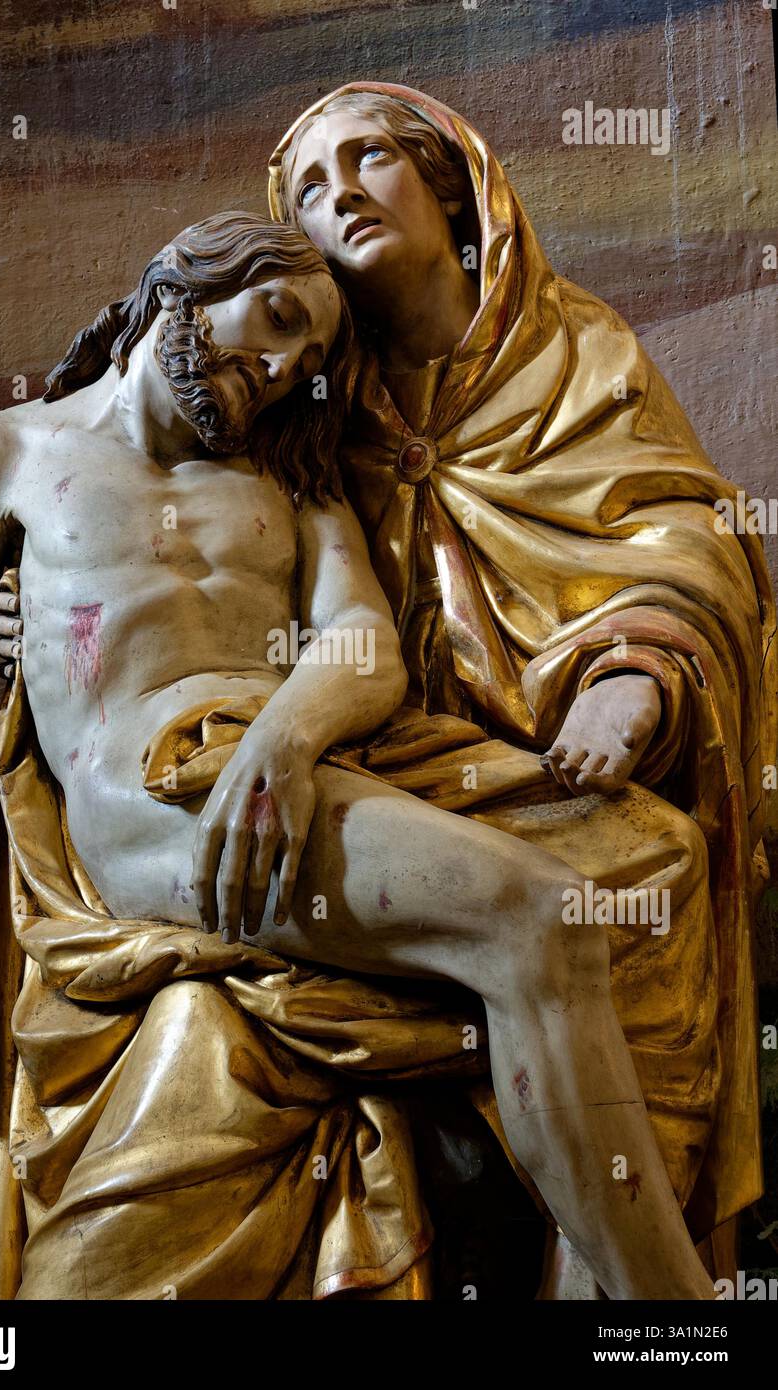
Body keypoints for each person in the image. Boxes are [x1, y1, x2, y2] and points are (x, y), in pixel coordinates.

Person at [0, 210, 719, 1300]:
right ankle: (673, 1317)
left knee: (647, 852)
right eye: (274, 320)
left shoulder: (289, 478)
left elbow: (363, 647)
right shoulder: (2, 454)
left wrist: (283, 733)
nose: (280, 369)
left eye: (306, 359)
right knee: (539, 916)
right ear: (184, 279)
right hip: (160, 802)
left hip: (300, 773)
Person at [262, 82, 777, 1288]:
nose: (338, 191)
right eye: (306, 187)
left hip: (546, 764)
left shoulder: (575, 350)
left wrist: (636, 676)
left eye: (370, 158)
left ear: (451, 185)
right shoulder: (298, 403)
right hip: (372, 774)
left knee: (640, 877)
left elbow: (683, 540)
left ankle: (607, 1284)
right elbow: (180, 543)